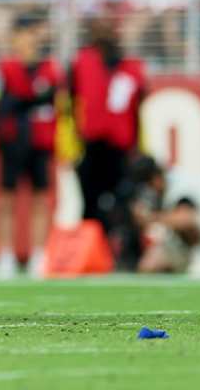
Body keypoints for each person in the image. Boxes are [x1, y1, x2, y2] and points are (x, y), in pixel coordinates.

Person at [70, 23, 146, 266]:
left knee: (125, 203)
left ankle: (130, 254)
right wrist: (71, 146)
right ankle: (91, 255)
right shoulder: (81, 63)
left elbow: (138, 110)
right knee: (90, 205)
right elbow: (70, 105)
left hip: (120, 148)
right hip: (91, 146)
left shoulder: (131, 68)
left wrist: (137, 147)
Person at [0, 18, 59, 278]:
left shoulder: (48, 68)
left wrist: (21, 101)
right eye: (25, 37)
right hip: (13, 141)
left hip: (40, 141)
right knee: (7, 199)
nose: (30, 43)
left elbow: (46, 97)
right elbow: (3, 102)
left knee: (40, 199)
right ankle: (6, 254)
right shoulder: (7, 68)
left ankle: (39, 254)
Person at [130, 156, 200, 277]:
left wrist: (151, 218)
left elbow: (185, 218)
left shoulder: (179, 184)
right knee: (147, 267)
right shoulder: (163, 186)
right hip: (188, 237)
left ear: (155, 178)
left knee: (183, 222)